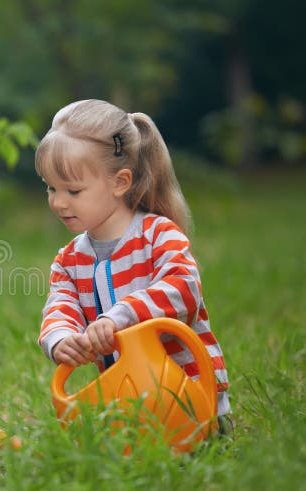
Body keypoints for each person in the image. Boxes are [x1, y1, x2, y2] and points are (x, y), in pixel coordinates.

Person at [36, 99, 231, 425]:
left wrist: (119, 318)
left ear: (120, 182)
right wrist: (60, 338)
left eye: (73, 190)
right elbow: (61, 306)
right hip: (131, 405)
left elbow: (183, 290)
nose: (57, 202)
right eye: (50, 188)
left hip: (191, 399)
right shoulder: (69, 261)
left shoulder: (158, 236)